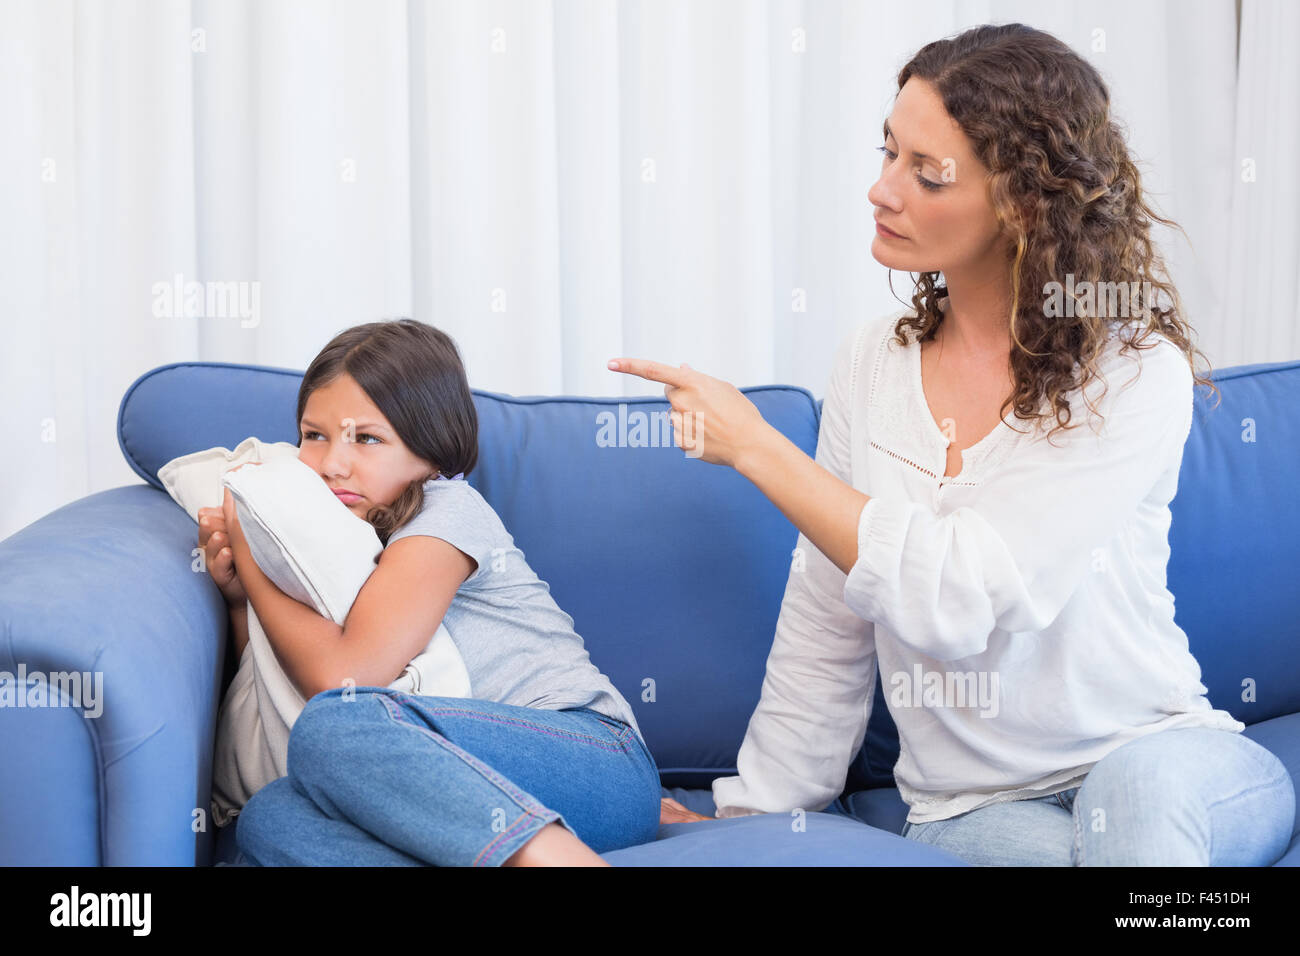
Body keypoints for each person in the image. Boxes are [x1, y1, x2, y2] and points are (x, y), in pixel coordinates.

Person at [627, 23, 1295, 865]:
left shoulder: (1130, 371)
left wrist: (759, 450)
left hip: (1164, 758)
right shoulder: (874, 365)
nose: (881, 189)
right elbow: (826, 621)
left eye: (925, 172)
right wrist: (752, 813)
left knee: (1135, 808)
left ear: (1022, 202)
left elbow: (971, 589)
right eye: (887, 153)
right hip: (971, 805)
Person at [201, 319, 660, 866]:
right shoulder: (332, 543)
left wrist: (253, 555)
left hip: (592, 758)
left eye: (367, 438)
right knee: (273, 817)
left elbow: (342, 679)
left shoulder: (448, 510)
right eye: (314, 434)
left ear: (433, 455)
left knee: (337, 723)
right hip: (455, 786)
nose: (331, 464)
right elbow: (277, 700)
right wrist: (239, 602)